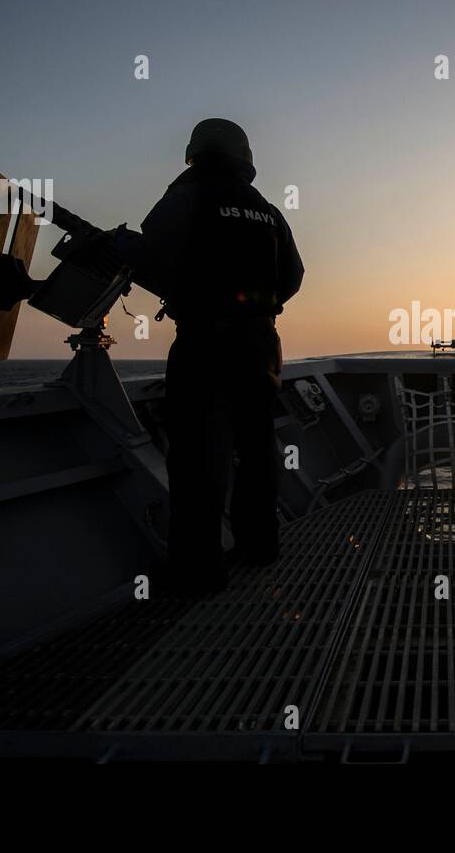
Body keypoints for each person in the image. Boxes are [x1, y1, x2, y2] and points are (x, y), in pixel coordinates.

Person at [113, 118, 304, 592]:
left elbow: (153, 258)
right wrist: (256, 305)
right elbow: (293, 276)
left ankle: (199, 573)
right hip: (261, 345)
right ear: (245, 159)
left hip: (205, 343)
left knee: (200, 456)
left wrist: (120, 245)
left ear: (195, 153)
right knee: (258, 448)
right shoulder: (267, 212)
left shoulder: (187, 196)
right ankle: (261, 546)